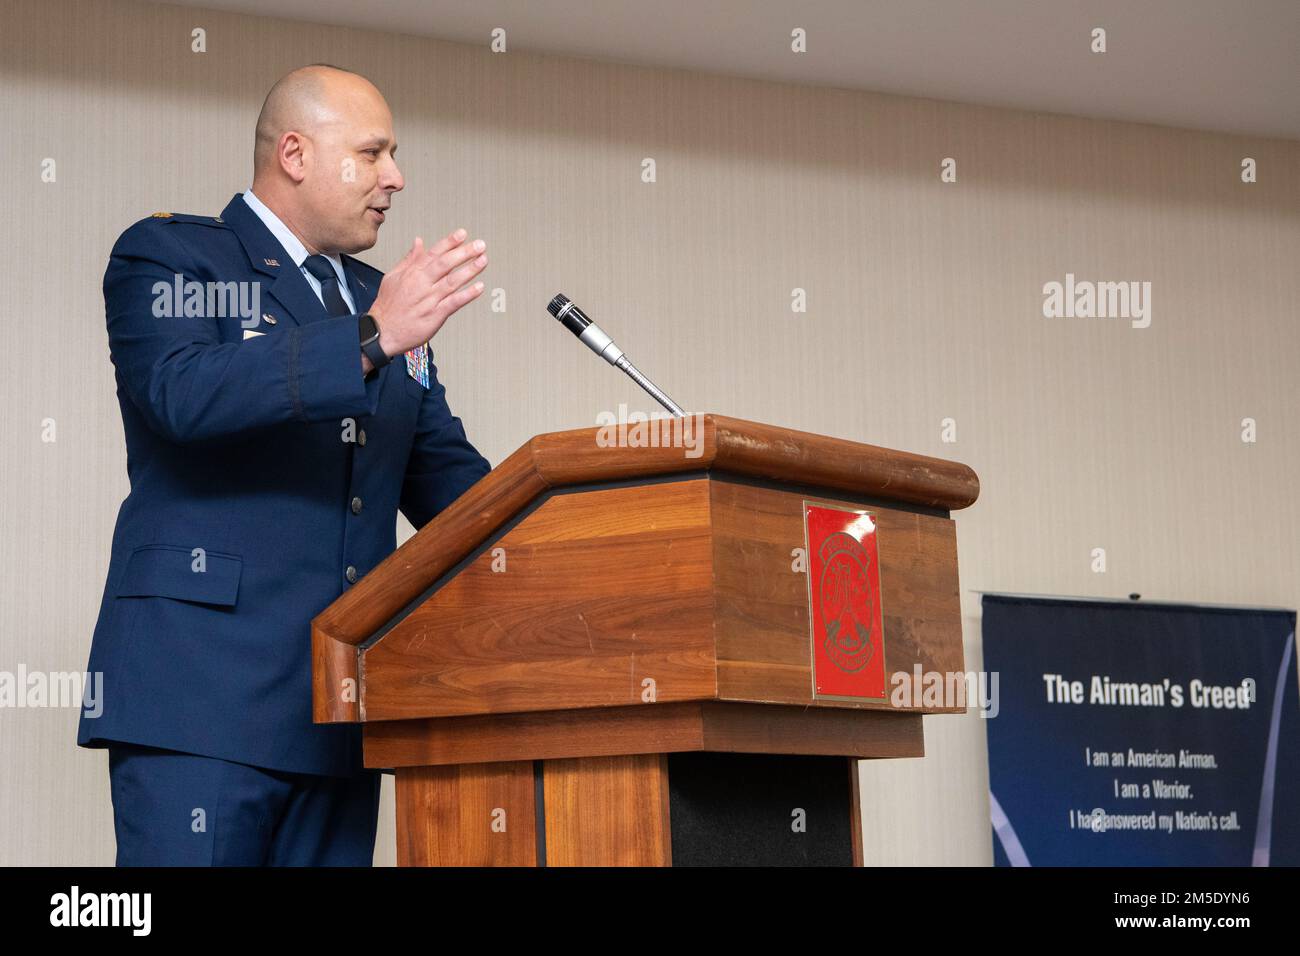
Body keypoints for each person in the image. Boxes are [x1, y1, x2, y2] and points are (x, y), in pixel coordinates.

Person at [76, 63, 492, 865]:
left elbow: (455, 492)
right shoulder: (174, 254)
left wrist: (603, 532)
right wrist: (371, 338)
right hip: (201, 704)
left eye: (394, 155)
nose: (395, 178)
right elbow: (182, 395)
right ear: (296, 154)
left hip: (340, 714)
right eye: (372, 154)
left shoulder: (379, 298)